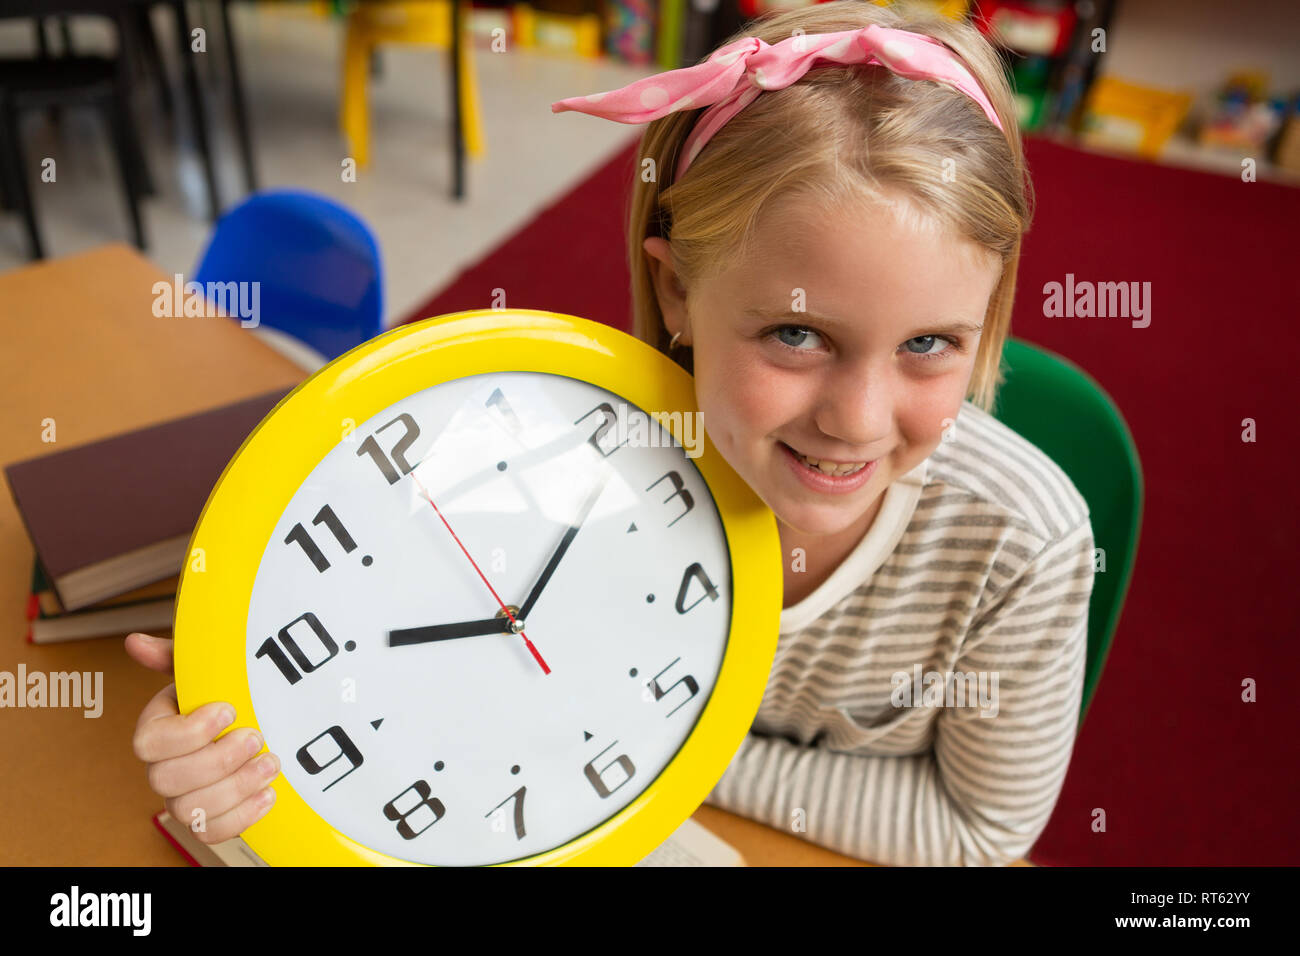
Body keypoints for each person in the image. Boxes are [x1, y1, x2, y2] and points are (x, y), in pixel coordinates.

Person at [130, 0, 1095, 865]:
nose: (856, 418)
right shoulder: (564, 452)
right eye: (797, 334)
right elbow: (429, 609)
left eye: (930, 343)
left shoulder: (1019, 542)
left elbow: (980, 830)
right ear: (677, 287)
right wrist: (268, 684)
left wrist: (669, 753)